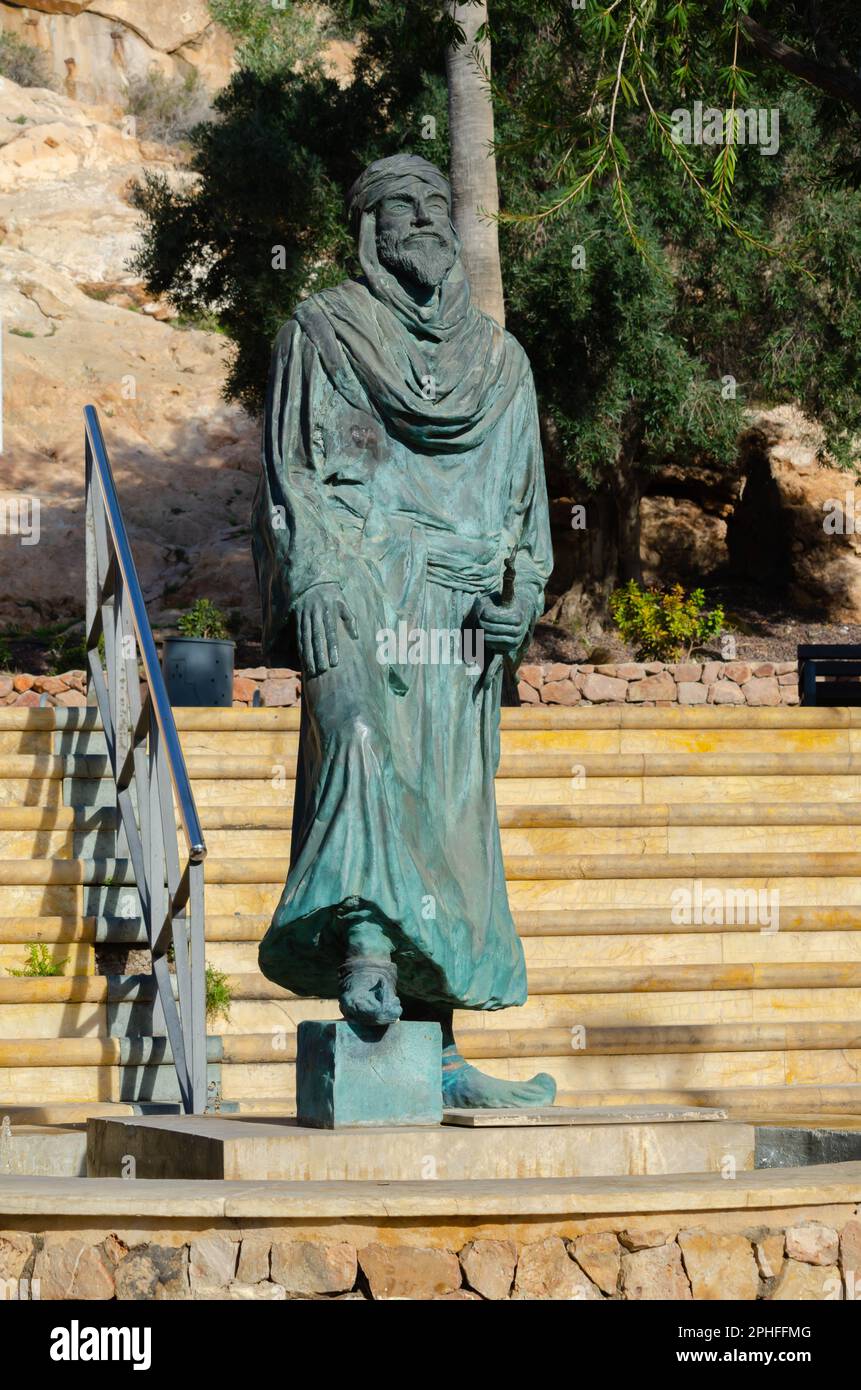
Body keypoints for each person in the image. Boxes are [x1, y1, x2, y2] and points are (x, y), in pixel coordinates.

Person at [253, 153, 556, 1107]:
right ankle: (365, 948)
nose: (424, 220)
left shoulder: (502, 365)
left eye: (437, 204)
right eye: (401, 207)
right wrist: (322, 586)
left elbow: (527, 523)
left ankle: (444, 1053)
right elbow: (305, 482)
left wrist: (523, 595)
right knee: (363, 751)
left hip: (461, 621)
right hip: (364, 593)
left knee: (451, 819)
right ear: (368, 229)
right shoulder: (327, 332)